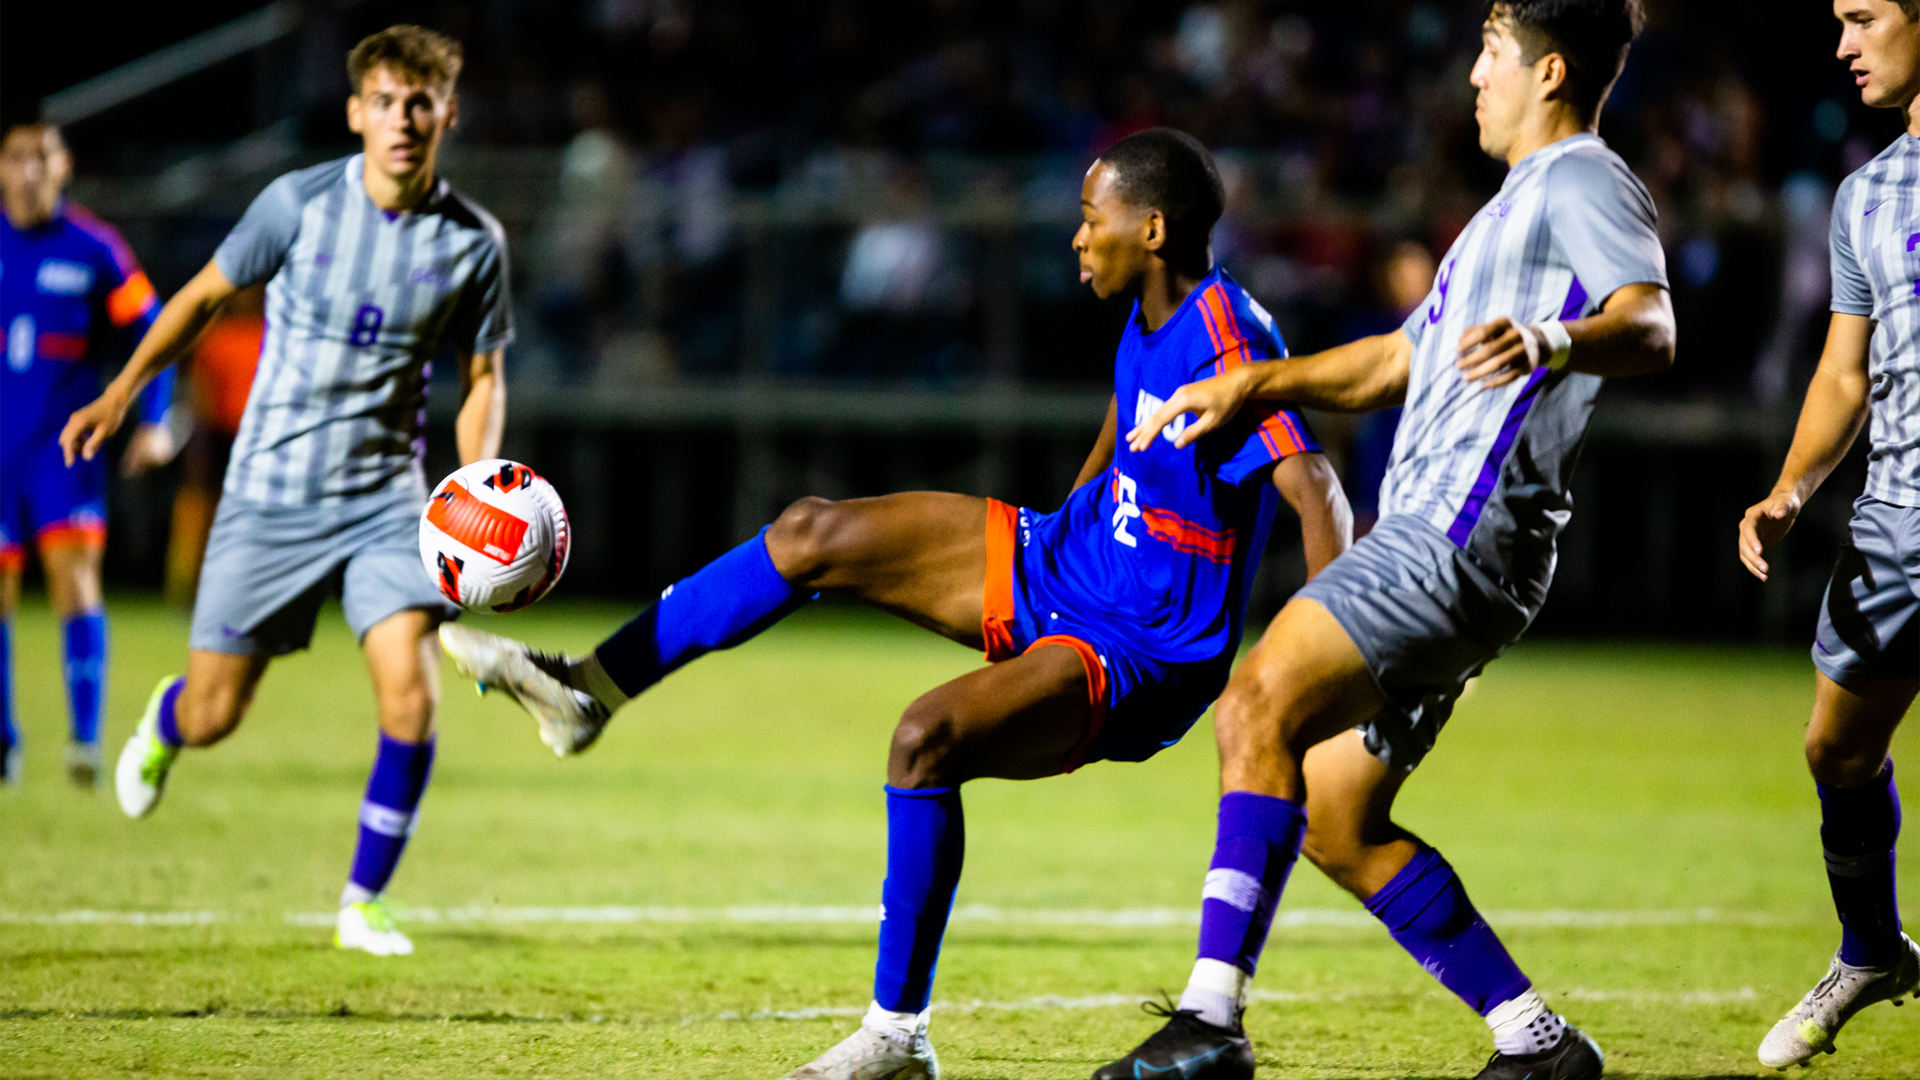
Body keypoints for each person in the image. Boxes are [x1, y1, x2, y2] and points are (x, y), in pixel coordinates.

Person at [440, 128, 1351, 1080]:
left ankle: (895, 1036)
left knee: (925, 740)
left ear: (1153, 229)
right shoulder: (1148, 315)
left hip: (1143, 647)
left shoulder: (1229, 332)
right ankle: (591, 689)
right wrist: (1072, 511)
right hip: (1067, 562)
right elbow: (1132, 425)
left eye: (1092, 220)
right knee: (810, 533)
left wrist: (1328, 673)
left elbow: (1316, 489)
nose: (1077, 240)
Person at [1110, 4, 1673, 1079]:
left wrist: (1554, 339)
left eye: (1490, 56)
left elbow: (1654, 326)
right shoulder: (1512, 211)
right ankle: (1534, 1041)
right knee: (1332, 815)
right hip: (1463, 546)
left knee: (1255, 701)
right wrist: (1252, 383)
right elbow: (1391, 365)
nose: (1471, 76)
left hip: (1454, 531)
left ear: (1548, 72)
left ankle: (1210, 1022)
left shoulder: (1585, 181)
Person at [60, 25, 510, 957]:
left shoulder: (475, 244)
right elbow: (196, 300)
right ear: (355, 113)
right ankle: (169, 720)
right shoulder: (296, 206)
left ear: (448, 114)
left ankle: (362, 901)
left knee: (411, 698)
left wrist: (474, 487)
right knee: (220, 713)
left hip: (389, 499)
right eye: (385, 101)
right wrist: (120, 392)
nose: (403, 119)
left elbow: (483, 379)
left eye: (420, 102)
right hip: (270, 494)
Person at [1737, 0, 1920, 1067]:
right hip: (1894, 528)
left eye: (1863, 17)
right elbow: (1844, 373)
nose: (1842, 44)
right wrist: (1790, 491)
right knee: (1835, 749)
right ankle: (1871, 950)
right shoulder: (1866, 193)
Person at [0, 120, 176, 789]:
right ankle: (4, 742)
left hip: (62, 450)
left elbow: (155, 333)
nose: (30, 171)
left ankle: (83, 741)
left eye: (42, 156)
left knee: (75, 582)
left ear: (64, 163)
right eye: (16, 158)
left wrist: (155, 421)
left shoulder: (95, 248)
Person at [164, 285, 263, 608]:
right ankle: (189, 590)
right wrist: (200, 441)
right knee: (204, 514)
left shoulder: (274, 330)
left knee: (254, 517)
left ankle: (249, 588)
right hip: (221, 435)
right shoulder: (217, 335)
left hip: (260, 438)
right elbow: (200, 391)